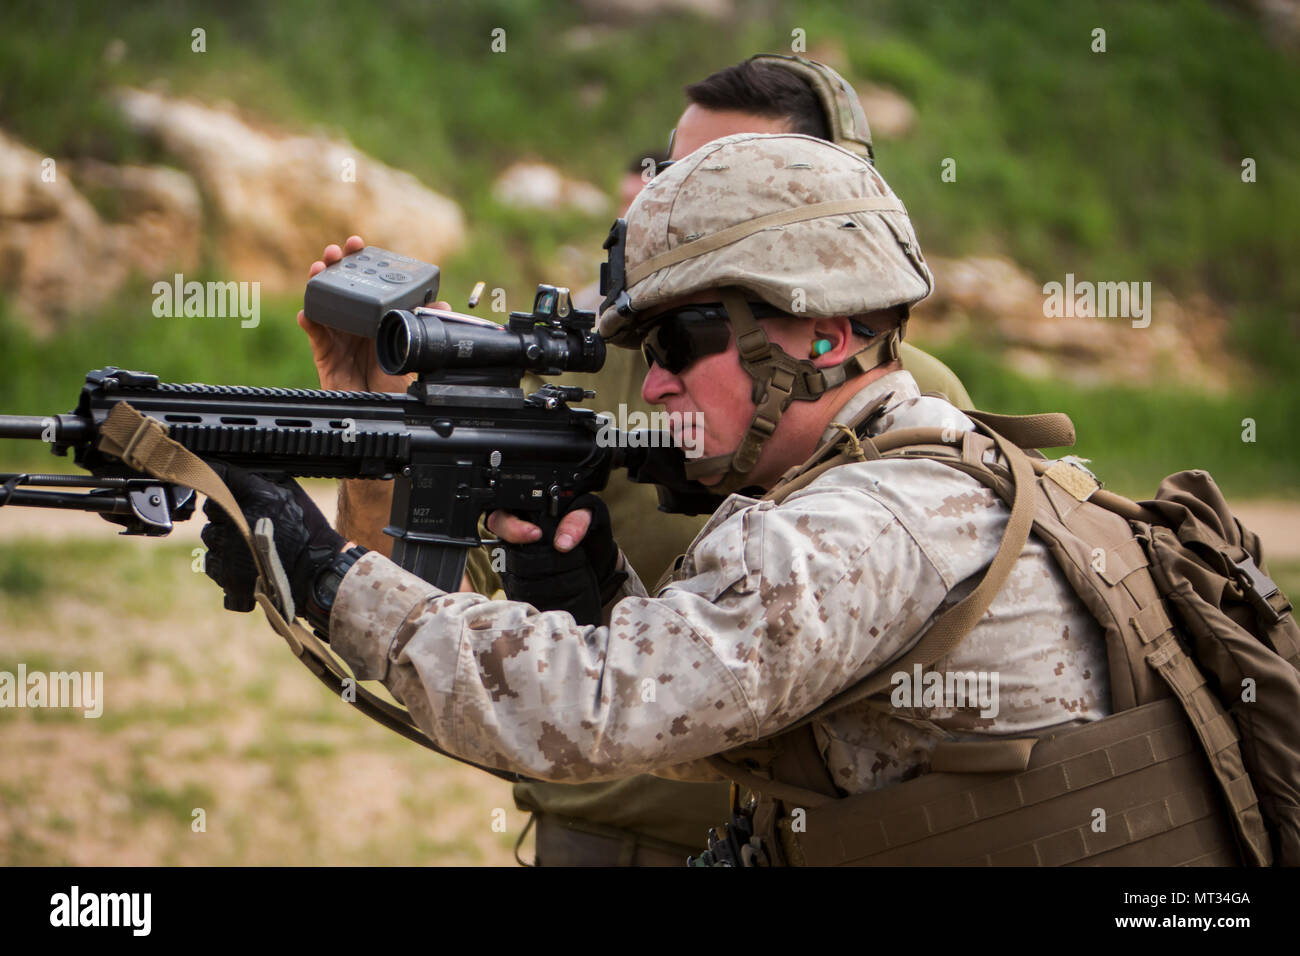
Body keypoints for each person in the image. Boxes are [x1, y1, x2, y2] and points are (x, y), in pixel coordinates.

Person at [202, 132, 1155, 867]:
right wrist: (596, 600)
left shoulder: (860, 526)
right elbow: (727, 716)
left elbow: (588, 712)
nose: (653, 387)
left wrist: (326, 571)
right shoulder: (921, 463)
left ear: (822, 337)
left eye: (678, 343)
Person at [293, 56, 976, 865]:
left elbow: (619, 690)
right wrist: (385, 435)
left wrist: (321, 571)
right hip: (609, 822)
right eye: (665, 173)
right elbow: (446, 604)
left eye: (719, 180)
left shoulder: (901, 433)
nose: (656, 384)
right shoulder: (601, 356)